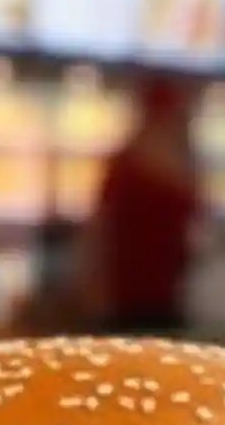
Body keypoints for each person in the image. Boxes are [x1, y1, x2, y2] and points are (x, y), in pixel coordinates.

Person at [79, 75, 201, 336]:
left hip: (162, 295)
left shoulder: (128, 164)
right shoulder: (134, 169)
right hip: (137, 296)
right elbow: (100, 234)